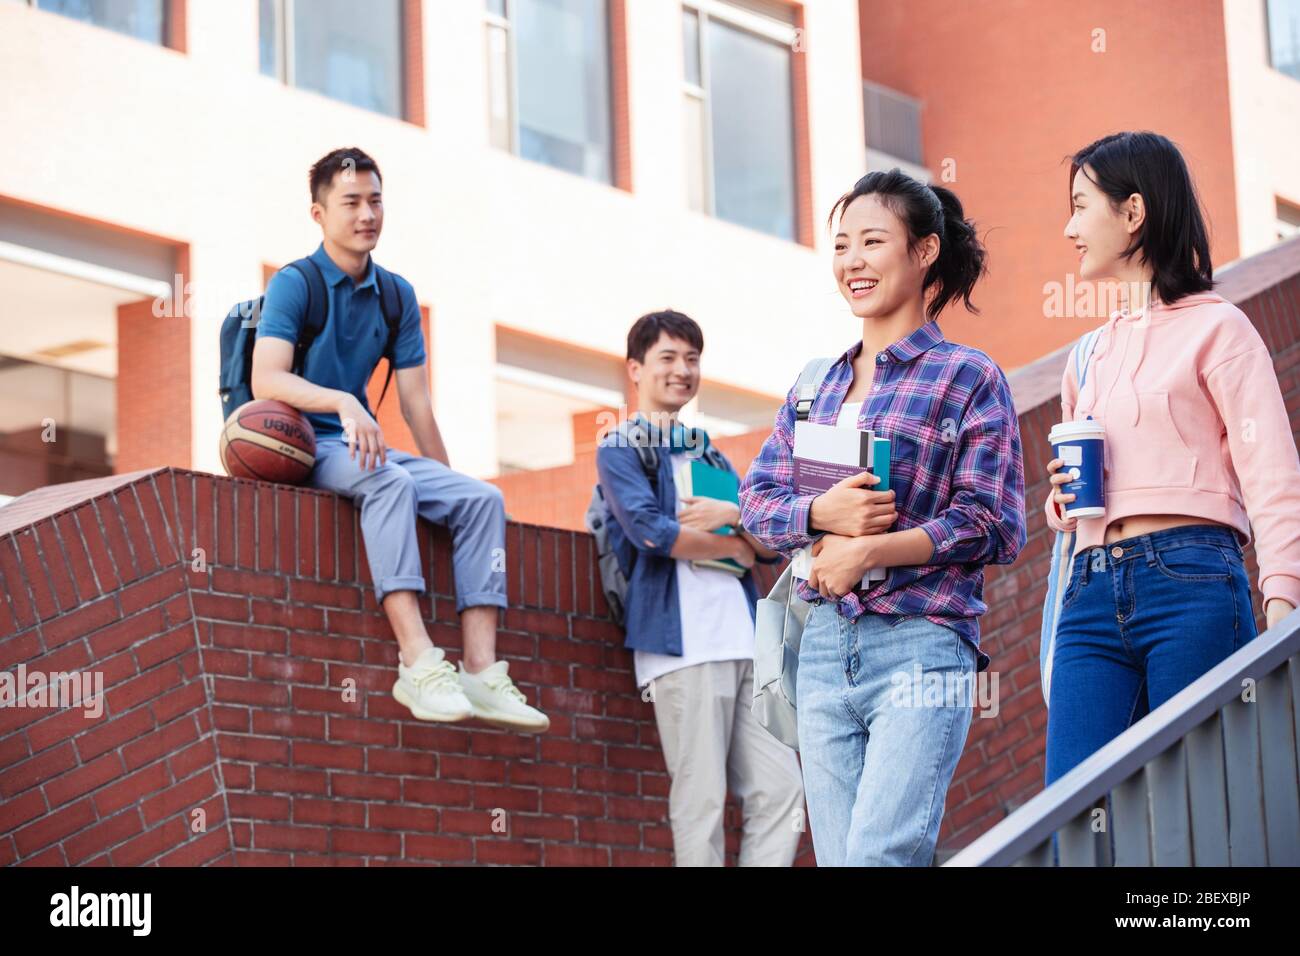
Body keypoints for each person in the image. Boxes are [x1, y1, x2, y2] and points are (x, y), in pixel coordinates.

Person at [739, 169, 1026, 866]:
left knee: (880, 856)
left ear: (924, 252)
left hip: (922, 644)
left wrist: (871, 551)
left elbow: (994, 522)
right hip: (822, 648)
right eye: (842, 246)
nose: (853, 262)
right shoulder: (816, 385)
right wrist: (821, 511)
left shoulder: (967, 375)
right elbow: (757, 505)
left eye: (872, 241)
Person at [250, 146, 548, 733]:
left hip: (363, 446)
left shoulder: (395, 295)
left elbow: (416, 404)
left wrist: (450, 488)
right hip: (308, 443)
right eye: (351, 202)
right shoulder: (295, 282)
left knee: (482, 499)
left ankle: (482, 674)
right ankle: (417, 663)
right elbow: (267, 376)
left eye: (375, 200)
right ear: (319, 214)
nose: (367, 214)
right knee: (389, 482)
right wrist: (342, 400)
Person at [1043, 131, 1300, 784]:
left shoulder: (1220, 329)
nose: (1070, 228)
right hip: (1091, 590)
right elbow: (1081, 495)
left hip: (1192, 582)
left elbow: (1272, 475)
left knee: (1201, 799)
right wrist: (1061, 499)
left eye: (1081, 205)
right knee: (1072, 812)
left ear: (1134, 212)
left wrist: (1283, 601)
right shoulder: (1087, 356)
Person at [594, 309, 805, 866]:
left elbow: (767, 541)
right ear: (635, 369)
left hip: (744, 644)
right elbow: (650, 532)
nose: (682, 370)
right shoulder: (621, 447)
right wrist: (736, 544)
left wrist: (736, 523)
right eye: (668, 357)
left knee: (783, 791)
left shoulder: (707, 450)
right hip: (681, 649)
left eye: (692, 359)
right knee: (700, 801)